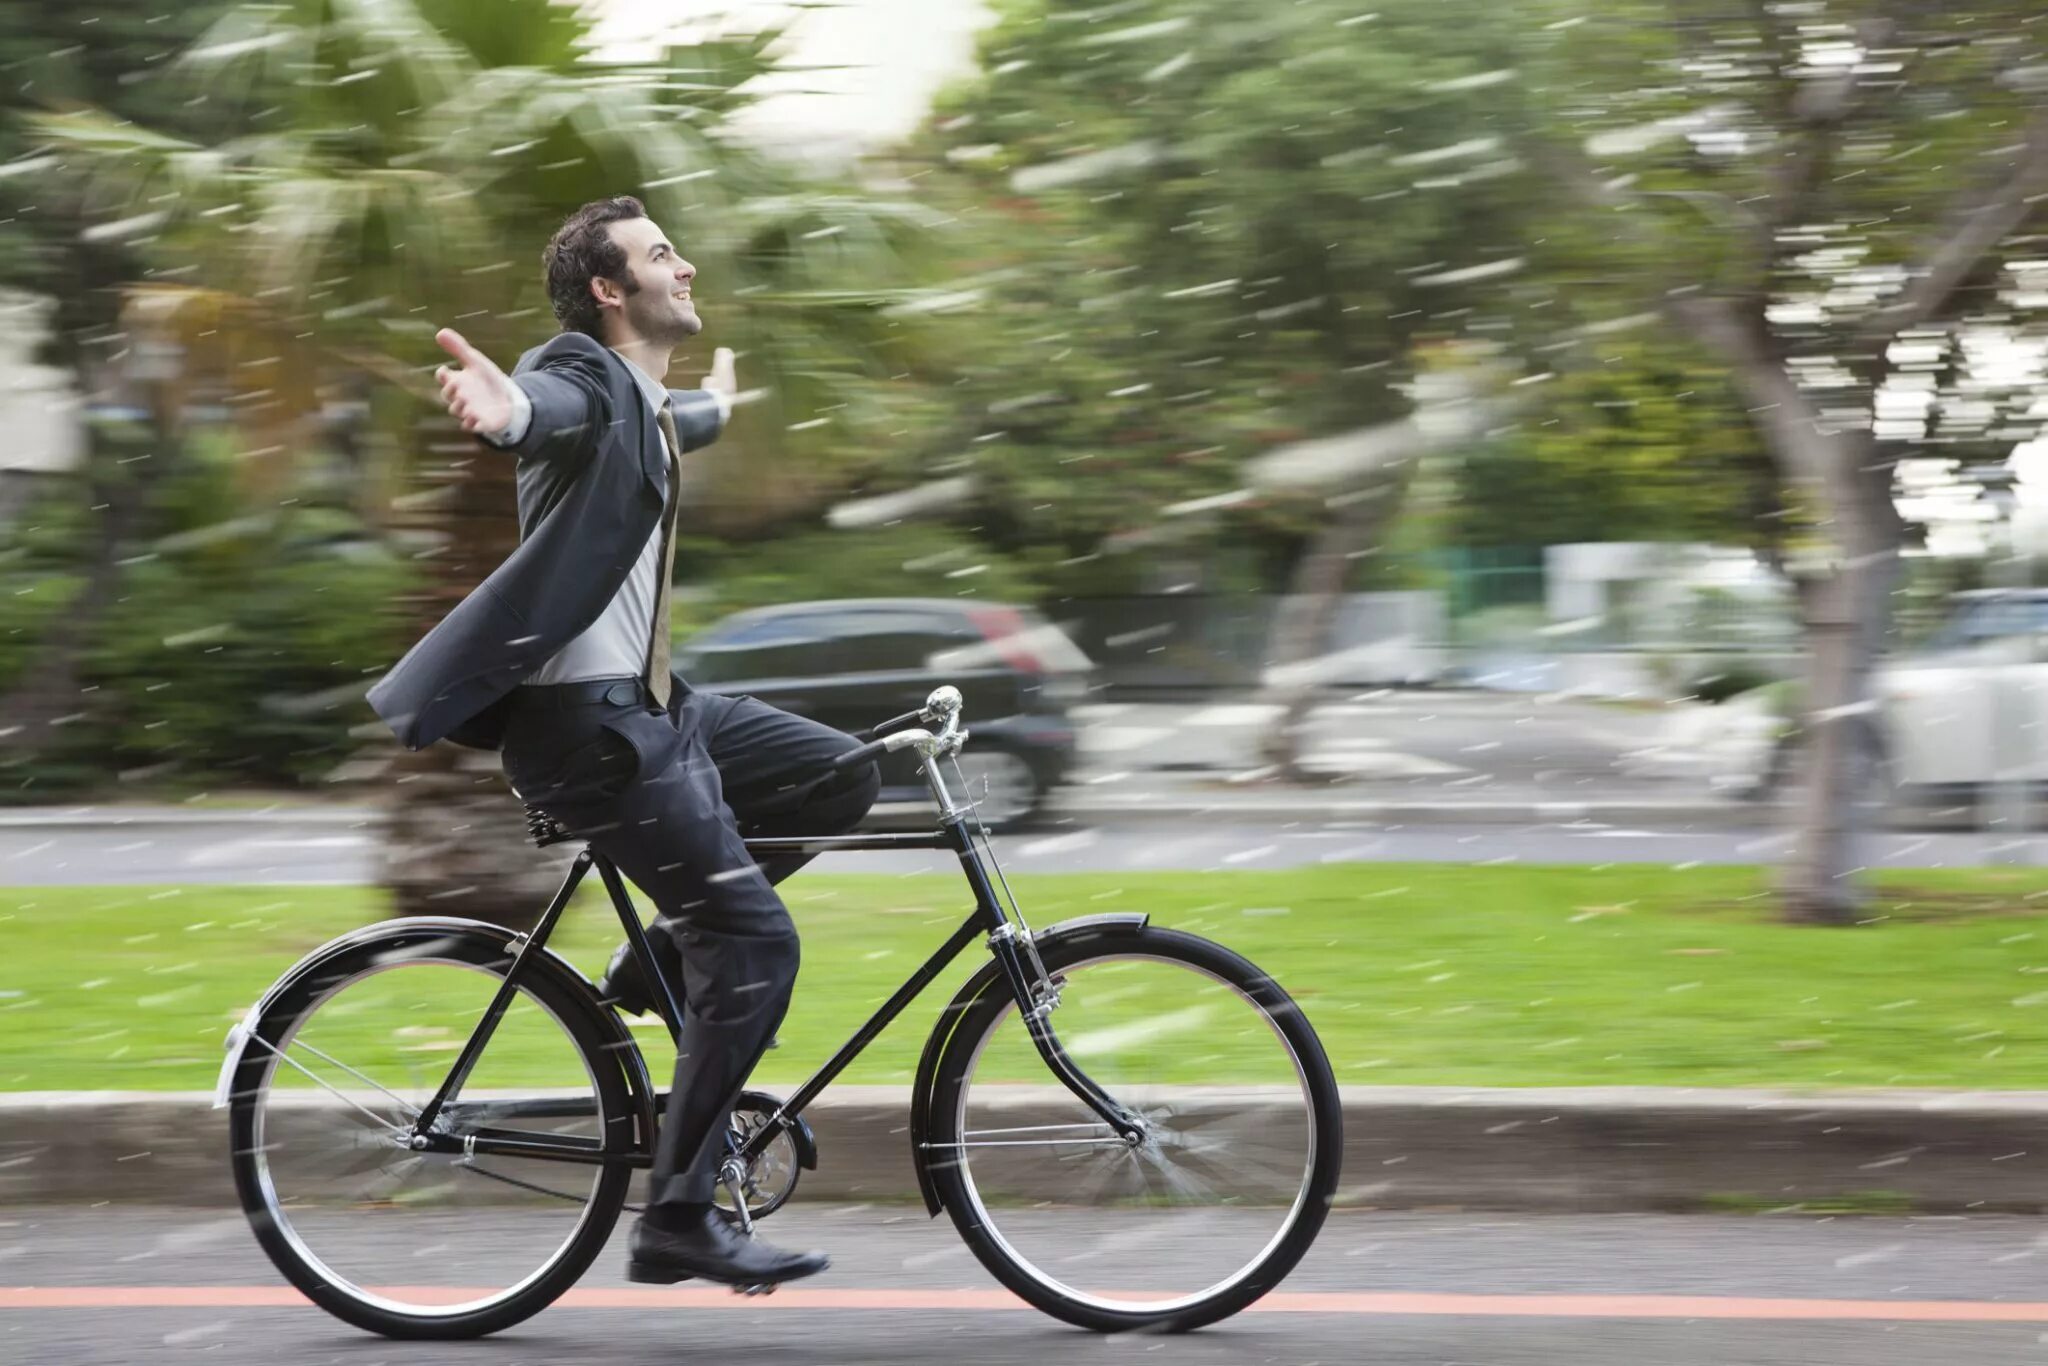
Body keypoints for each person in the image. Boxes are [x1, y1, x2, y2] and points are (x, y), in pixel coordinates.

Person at [365, 195, 878, 1288]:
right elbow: (543, 407)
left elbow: (666, 421)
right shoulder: (580, 376)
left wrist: (719, 408)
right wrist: (504, 411)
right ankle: (677, 1218)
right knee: (756, 944)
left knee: (842, 770)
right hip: (584, 730)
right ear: (608, 291)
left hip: (651, 708)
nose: (683, 265)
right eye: (658, 256)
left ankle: (649, 960)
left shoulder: (643, 400)